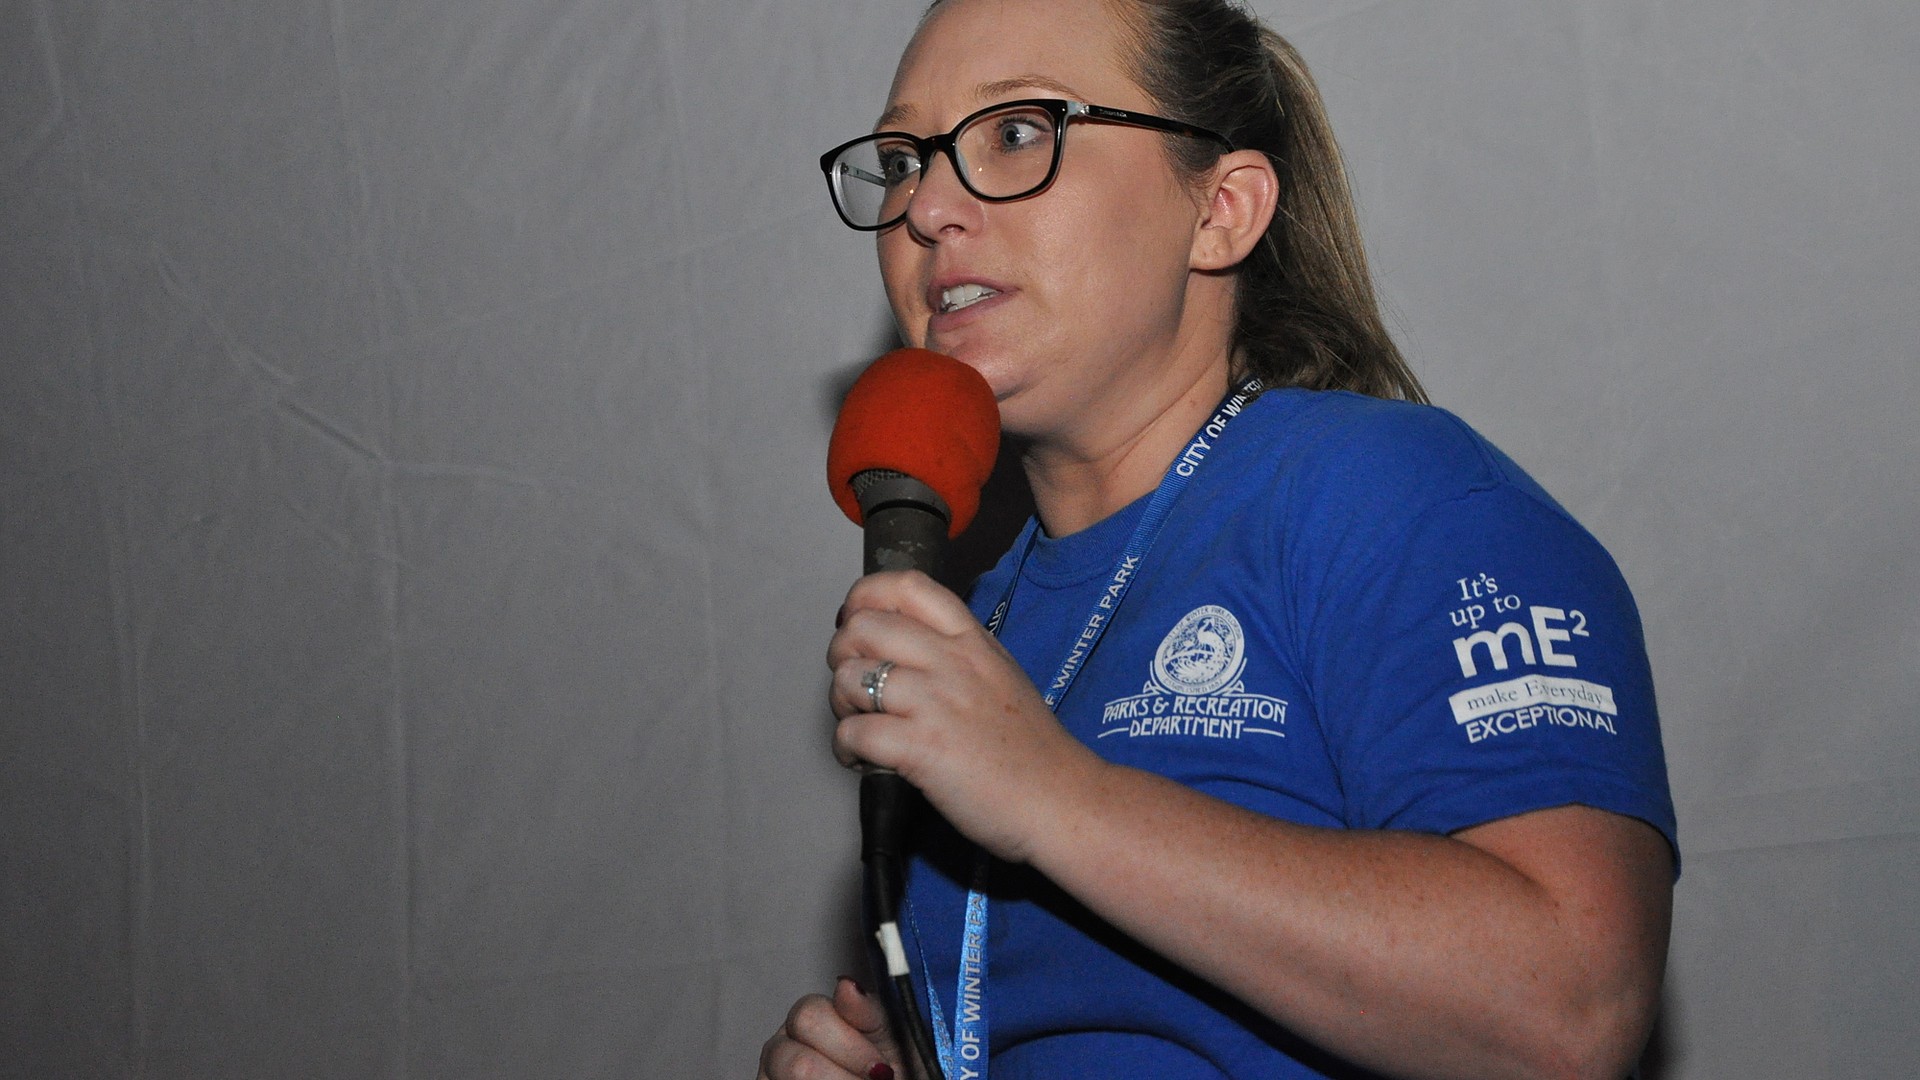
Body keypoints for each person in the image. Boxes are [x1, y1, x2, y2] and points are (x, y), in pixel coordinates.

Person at [763, 0, 1677, 1077]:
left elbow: (1573, 1003)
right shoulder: (983, 617)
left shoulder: (1397, 495)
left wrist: (1057, 797)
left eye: (1015, 131)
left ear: (1223, 211)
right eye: (907, 157)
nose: (926, 207)